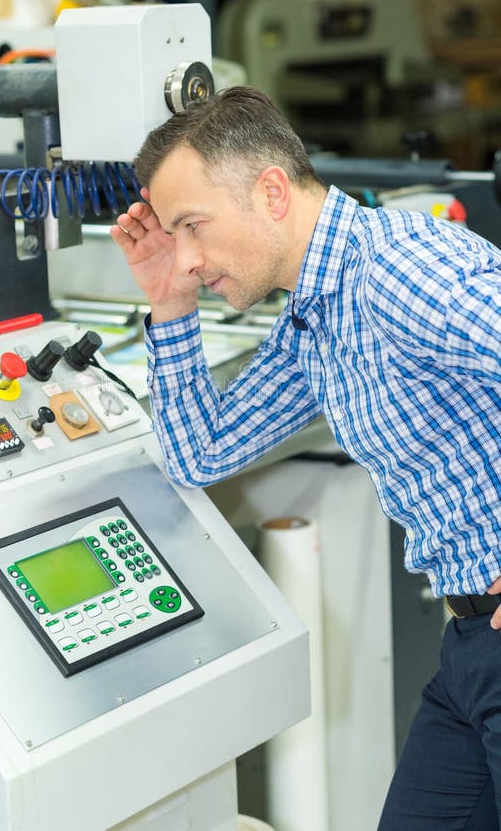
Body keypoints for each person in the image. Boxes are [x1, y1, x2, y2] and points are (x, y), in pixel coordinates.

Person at [110, 85, 501, 829]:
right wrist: (169, 304)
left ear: (271, 191)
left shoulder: (397, 274)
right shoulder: (316, 312)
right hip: (470, 647)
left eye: (193, 226)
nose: (187, 258)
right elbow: (201, 452)